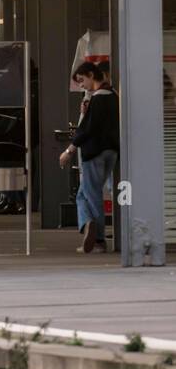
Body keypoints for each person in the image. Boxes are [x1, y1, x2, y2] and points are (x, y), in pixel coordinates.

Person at [61, 61, 118, 253]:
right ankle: (88, 224)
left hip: (94, 153)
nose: (81, 85)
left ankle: (98, 238)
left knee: (91, 195)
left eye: (82, 80)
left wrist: (69, 150)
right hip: (112, 151)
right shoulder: (113, 95)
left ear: (91, 75)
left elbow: (88, 129)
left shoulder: (99, 99)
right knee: (83, 194)